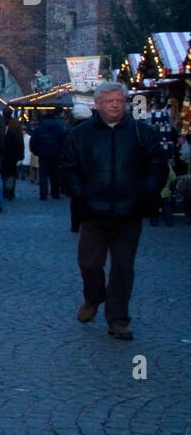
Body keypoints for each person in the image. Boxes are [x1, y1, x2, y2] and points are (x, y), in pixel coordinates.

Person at [59, 81, 167, 340]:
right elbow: (68, 168)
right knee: (90, 264)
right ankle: (93, 297)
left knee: (123, 266)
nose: (116, 105)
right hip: (94, 211)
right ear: (97, 104)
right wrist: (79, 193)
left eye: (120, 101)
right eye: (110, 101)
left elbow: (158, 164)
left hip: (129, 211)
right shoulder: (81, 134)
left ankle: (118, 319)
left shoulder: (142, 133)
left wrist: (147, 190)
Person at [31, 108, 66, 200]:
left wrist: (36, 152)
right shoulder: (59, 128)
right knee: (55, 174)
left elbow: (33, 142)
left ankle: (43, 194)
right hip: (56, 154)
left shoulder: (39, 129)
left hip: (43, 154)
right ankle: (55, 193)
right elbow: (64, 141)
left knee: (43, 175)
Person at [1, 114, 25, 201]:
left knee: (5, 175)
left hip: (5, 158)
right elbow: (20, 146)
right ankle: (9, 192)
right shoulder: (17, 134)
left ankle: (6, 191)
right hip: (13, 158)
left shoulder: (6, 135)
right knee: (11, 176)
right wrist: (20, 157)